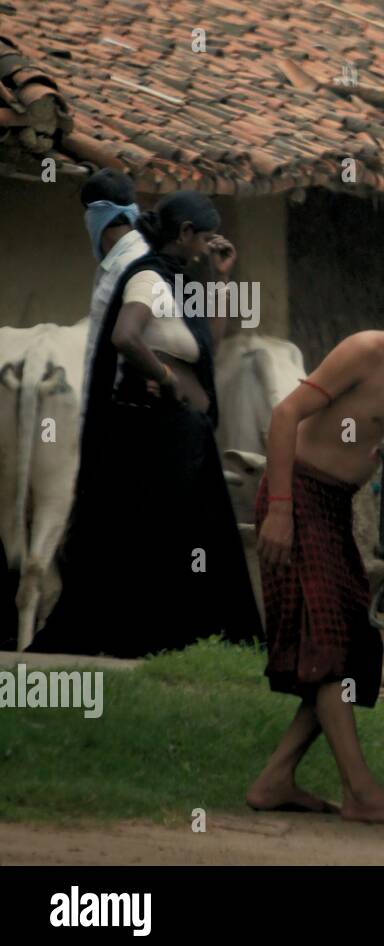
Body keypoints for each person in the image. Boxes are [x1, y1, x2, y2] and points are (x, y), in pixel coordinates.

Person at [32, 191, 263, 658]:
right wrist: (163, 378)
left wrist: (222, 278)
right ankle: (147, 638)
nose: (207, 247)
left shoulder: (179, 282)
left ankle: (197, 641)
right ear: (183, 234)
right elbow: (125, 336)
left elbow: (205, 351)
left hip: (187, 435)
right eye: (204, 238)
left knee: (197, 541)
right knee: (156, 541)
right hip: (155, 435)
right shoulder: (149, 280)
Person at [245, 328, 384, 824]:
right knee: (324, 647)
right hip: (297, 494)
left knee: (350, 647)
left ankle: (275, 779)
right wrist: (280, 510)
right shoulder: (370, 351)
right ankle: (361, 793)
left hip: (334, 507)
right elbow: (284, 416)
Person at [79, 169, 150, 422]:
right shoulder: (124, 261)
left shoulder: (129, 266)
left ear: (94, 220)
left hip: (122, 413)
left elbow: (126, 341)